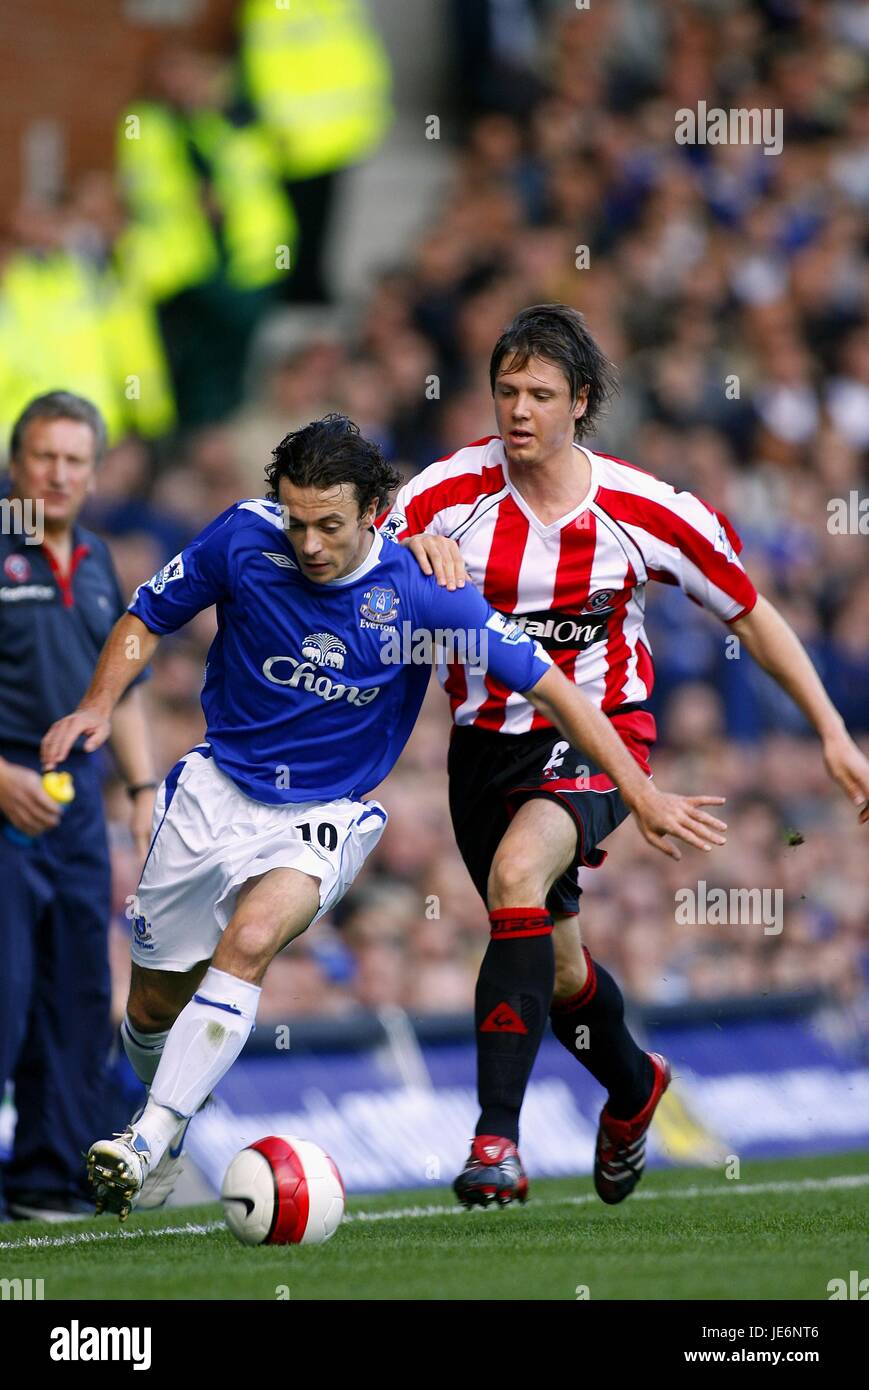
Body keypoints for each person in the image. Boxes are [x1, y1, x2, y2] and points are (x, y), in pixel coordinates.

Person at [41, 414, 726, 1219]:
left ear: (374, 513)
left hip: (324, 813)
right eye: (296, 522)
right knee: (151, 1008)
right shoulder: (241, 539)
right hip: (213, 793)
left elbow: (554, 688)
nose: (310, 544)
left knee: (253, 940)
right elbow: (146, 617)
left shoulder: (421, 592)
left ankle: (148, 1138)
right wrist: (96, 704)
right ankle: (168, 1121)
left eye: (329, 524)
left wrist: (640, 794)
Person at [378, 303, 869, 1208]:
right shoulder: (446, 493)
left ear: (583, 403)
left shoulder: (644, 509)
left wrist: (832, 731)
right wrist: (409, 548)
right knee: (557, 969)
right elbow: (371, 553)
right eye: (505, 391)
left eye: (540, 394)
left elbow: (751, 615)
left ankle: (494, 1140)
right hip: (483, 748)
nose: (517, 411)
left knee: (518, 879)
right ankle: (636, 1085)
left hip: (602, 736)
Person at [0, 392, 156, 1221]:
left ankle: (47, 1181)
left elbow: (120, 690)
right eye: (41, 457)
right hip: (5, 790)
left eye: (73, 460)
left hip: (80, 802)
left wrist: (141, 790)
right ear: (14, 463)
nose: (57, 474)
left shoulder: (96, 557)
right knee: (5, 988)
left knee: (76, 991)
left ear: (94, 473)